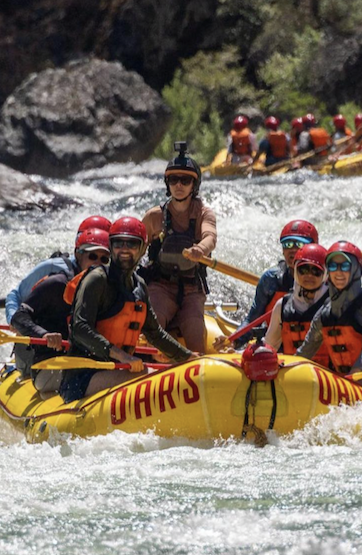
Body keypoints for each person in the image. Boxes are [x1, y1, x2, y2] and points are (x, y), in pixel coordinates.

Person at [59, 217, 197, 402]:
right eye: (118, 243)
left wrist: (188, 357)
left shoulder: (139, 286)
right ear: (111, 245)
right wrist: (121, 356)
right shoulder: (97, 279)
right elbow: (80, 328)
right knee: (146, 376)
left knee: (156, 373)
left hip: (117, 370)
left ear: (142, 249)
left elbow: (155, 333)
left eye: (131, 244)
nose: (124, 249)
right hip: (82, 377)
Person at [294, 241, 362, 405]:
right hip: (344, 387)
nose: (338, 272)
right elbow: (306, 350)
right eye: (333, 266)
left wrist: (355, 373)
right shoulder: (325, 313)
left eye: (344, 266)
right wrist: (285, 366)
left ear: (356, 270)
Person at [6, 215, 112, 374]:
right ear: (79, 249)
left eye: (104, 257)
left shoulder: (109, 280)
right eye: (92, 255)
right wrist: (18, 324)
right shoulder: (54, 272)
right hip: (39, 350)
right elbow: (15, 296)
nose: (98, 261)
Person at [140, 141, 217, 354]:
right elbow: (136, 247)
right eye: (173, 179)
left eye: (185, 180)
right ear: (167, 183)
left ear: (195, 185)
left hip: (192, 289)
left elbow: (210, 236)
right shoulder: (154, 216)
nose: (179, 185)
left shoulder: (204, 213)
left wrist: (200, 250)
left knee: (195, 335)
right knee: (151, 329)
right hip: (160, 287)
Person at [217, 219, 318, 350]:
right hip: (277, 349)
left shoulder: (326, 281)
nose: (292, 250)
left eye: (299, 244)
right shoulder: (271, 280)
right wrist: (234, 341)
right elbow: (252, 320)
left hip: (314, 353)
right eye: (287, 244)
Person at [263, 243, 328, 360]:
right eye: (303, 269)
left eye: (316, 271)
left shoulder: (335, 306)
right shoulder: (282, 306)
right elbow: (268, 346)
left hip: (328, 375)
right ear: (296, 271)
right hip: (294, 374)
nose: (309, 275)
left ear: (325, 274)